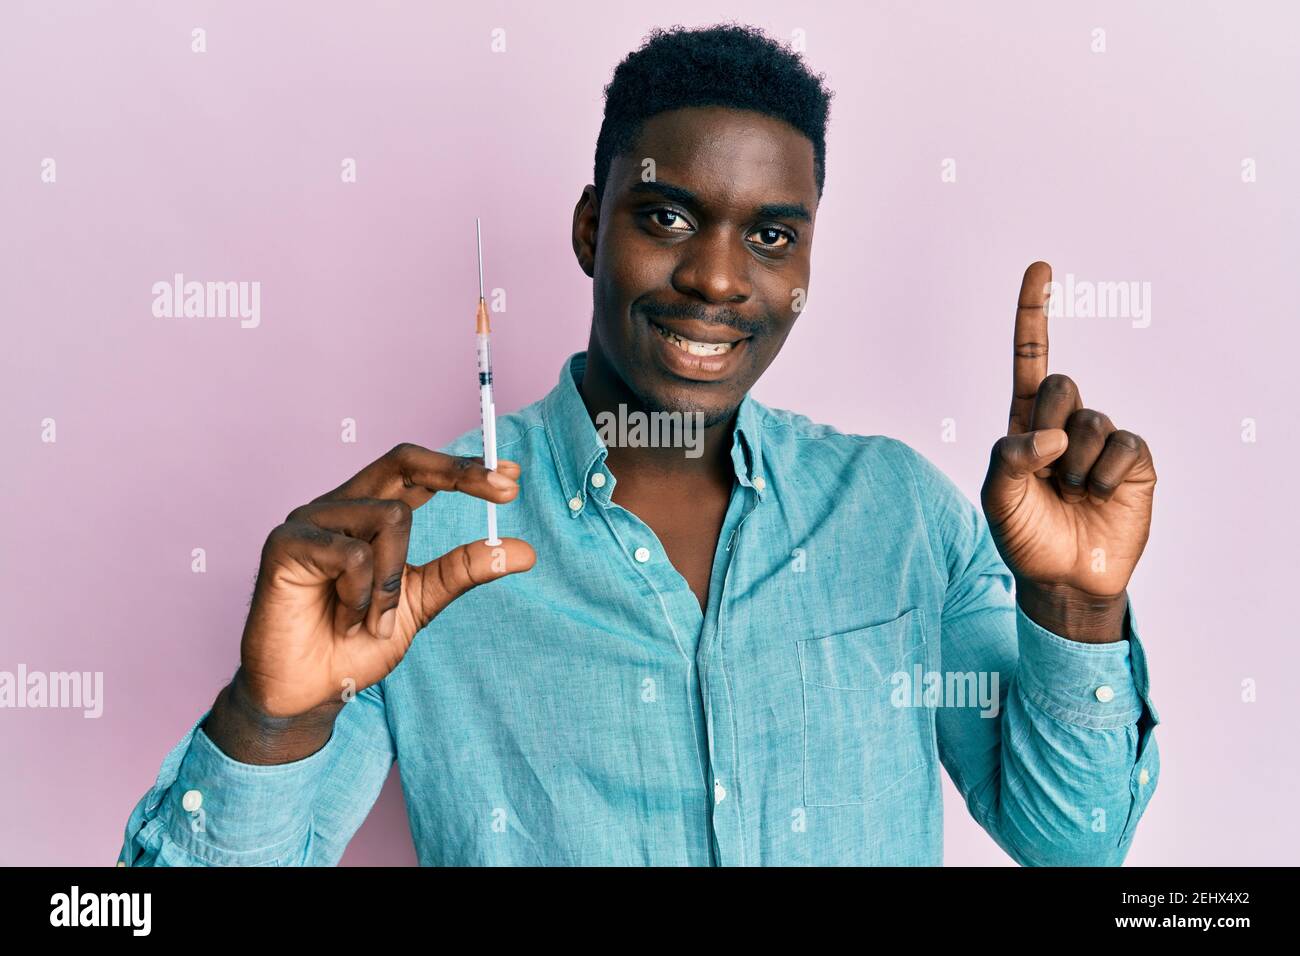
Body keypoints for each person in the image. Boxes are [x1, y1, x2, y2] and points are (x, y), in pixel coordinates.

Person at [119, 23, 1160, 866]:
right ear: (589, 227)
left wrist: (1075, 608)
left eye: (769, 235)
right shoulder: (423, 544)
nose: (715, 277)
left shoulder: (899, 512)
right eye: (665, 216)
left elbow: (1073, 840)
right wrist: (270, 718)